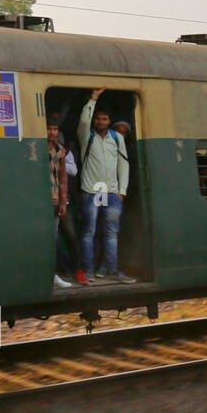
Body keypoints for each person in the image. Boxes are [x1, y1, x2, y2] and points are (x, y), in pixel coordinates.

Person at [77, 88, 133, 283]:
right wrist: (93, 99)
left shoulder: (117, 138)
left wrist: (122, 190)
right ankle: (88, 270)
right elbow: (84, 121)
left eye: (104, 119)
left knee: (111, 233)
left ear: (109, 121)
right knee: (89, 232)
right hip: (91, 191)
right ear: (94, 120)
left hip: (112, 192)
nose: (101, 122)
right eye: (98, 119)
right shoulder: (87, 136)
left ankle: (112, 271)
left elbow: (124, 165)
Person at [47, 117, 77, 289]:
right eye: (49, 129)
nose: (52, 132)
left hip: (54, 200)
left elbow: (63, 176)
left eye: (55, 129)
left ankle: (53, 275)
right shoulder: (35, 148)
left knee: (53, 239)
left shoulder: (60, 150)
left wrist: (63, 201)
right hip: (39, 201)